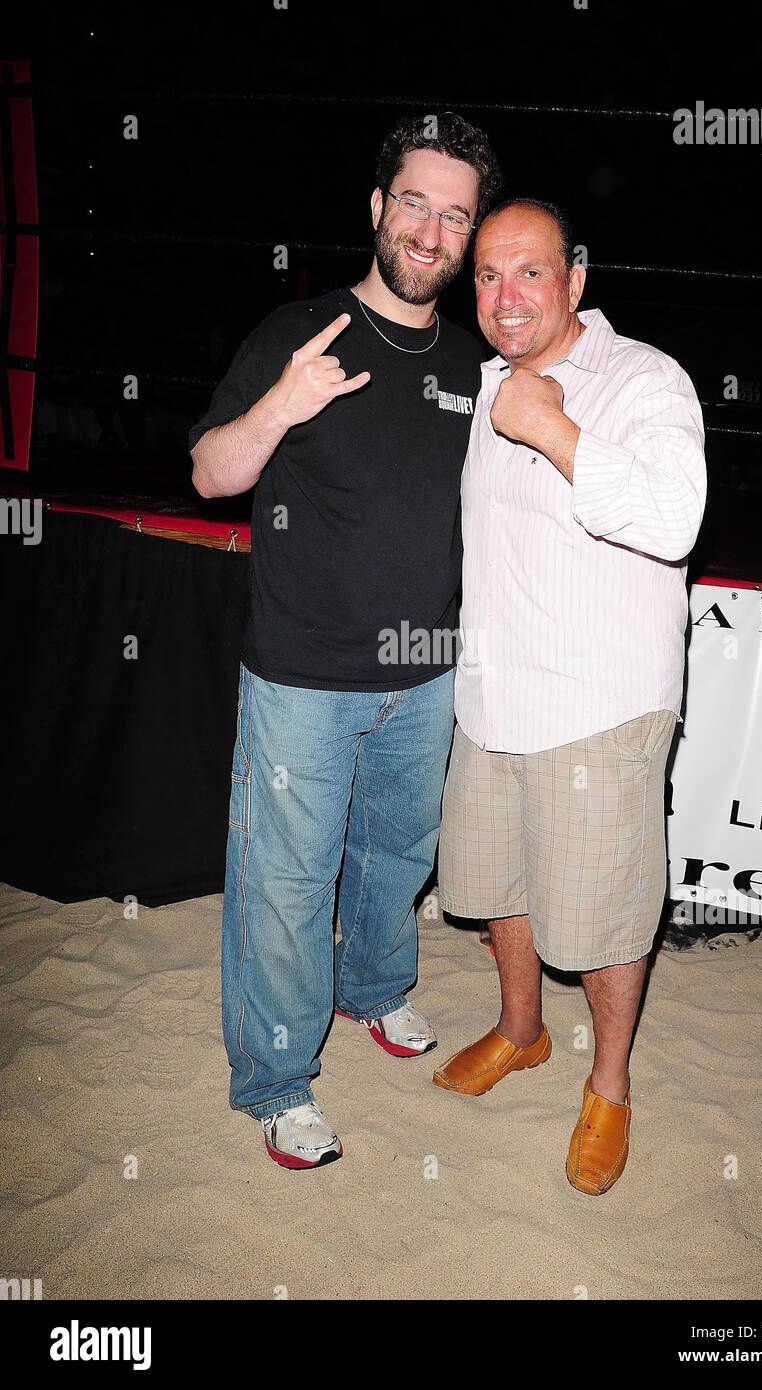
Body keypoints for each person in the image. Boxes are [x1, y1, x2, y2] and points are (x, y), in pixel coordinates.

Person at [189, 113, 502, 1169]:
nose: (429, 229)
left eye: (453, 213)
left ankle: (374, 989)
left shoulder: (473, 365)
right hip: (302, 680)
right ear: (375, 209)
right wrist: (281, 404)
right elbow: (210, 475)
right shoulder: (298, 333)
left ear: (466, 238)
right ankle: (277, 1081)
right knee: (284, 882)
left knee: (395, 858)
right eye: (412, 201)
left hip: (426, 679)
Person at [433, 198, 707, 1195]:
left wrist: (553, 427)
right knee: (496, 884)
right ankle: (520, 1031)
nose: (506, 296)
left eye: (530, 273)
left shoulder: (645, 379)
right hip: (493, 698)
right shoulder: (478, 385)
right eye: (488, 276)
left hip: (598, 707)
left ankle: (611, 1081)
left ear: (574, 280)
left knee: (599, 915)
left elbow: (674, 520)